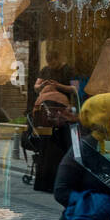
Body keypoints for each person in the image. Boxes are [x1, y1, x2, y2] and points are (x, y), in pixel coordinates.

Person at [31, 49, 78, 193]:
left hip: (62, 111)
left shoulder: (68, 70)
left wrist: (58, 86)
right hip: (46, 114)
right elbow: (36, 87)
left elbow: (75, 89)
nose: (51, 66)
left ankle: (58, 179)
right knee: (47, 146)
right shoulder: (45, 70)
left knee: (60, 145)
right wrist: (42, 85)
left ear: (59, 58)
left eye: (54, 63)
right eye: (49, 63)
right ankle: (46, 180)